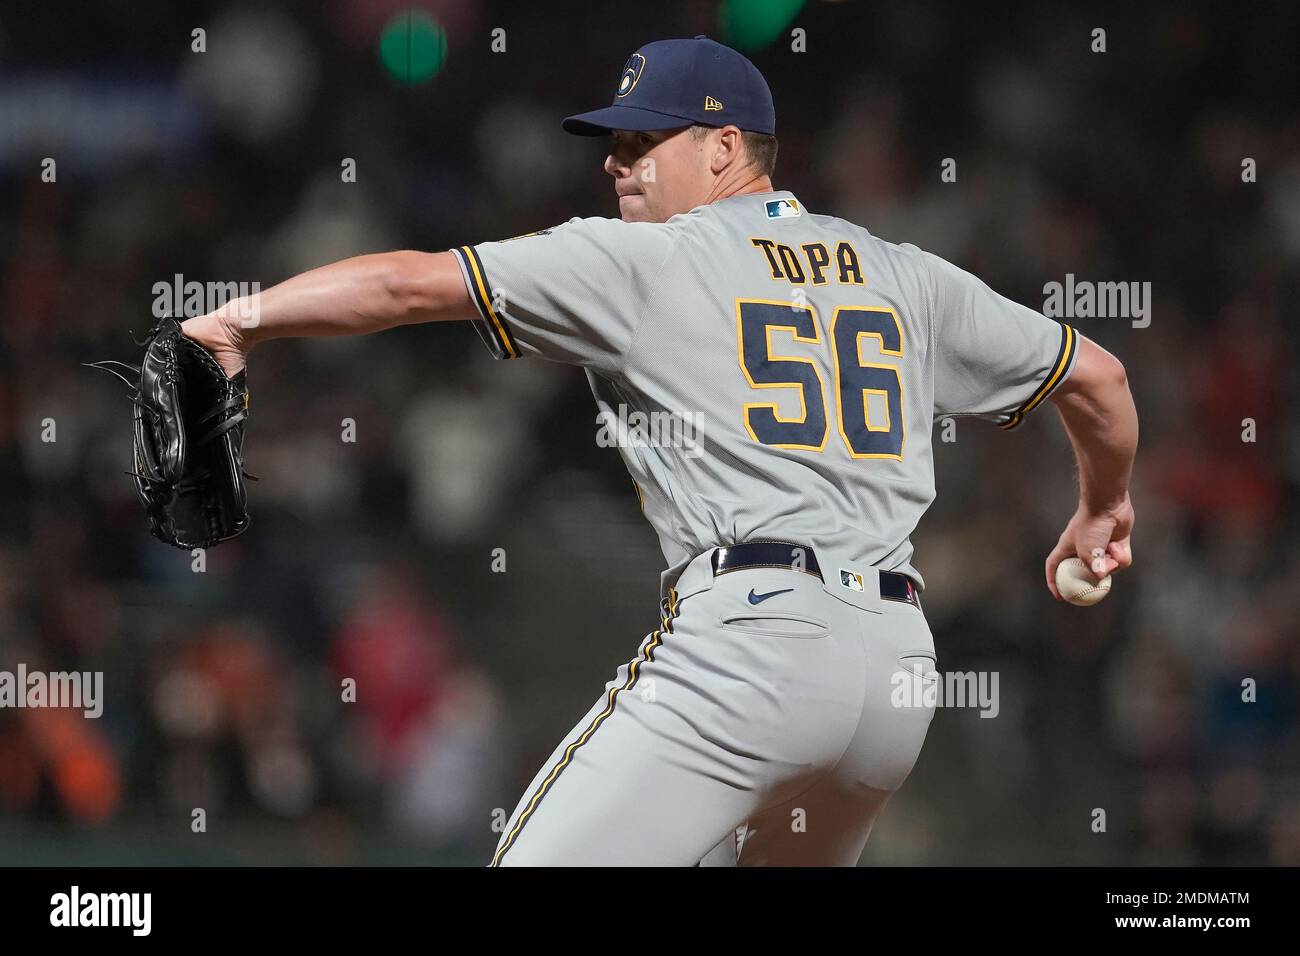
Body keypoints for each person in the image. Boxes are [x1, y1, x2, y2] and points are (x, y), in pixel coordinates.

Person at [182, 36, 1137, 866]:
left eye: (645, 140)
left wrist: (240, 323)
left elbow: (403, 286)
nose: (617, 162)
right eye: (614, 144)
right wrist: (1102, 507)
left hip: (755, 642)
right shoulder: (904, 271)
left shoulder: (646, 258)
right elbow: (1100, 379)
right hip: (895, 674)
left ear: (727, 148)